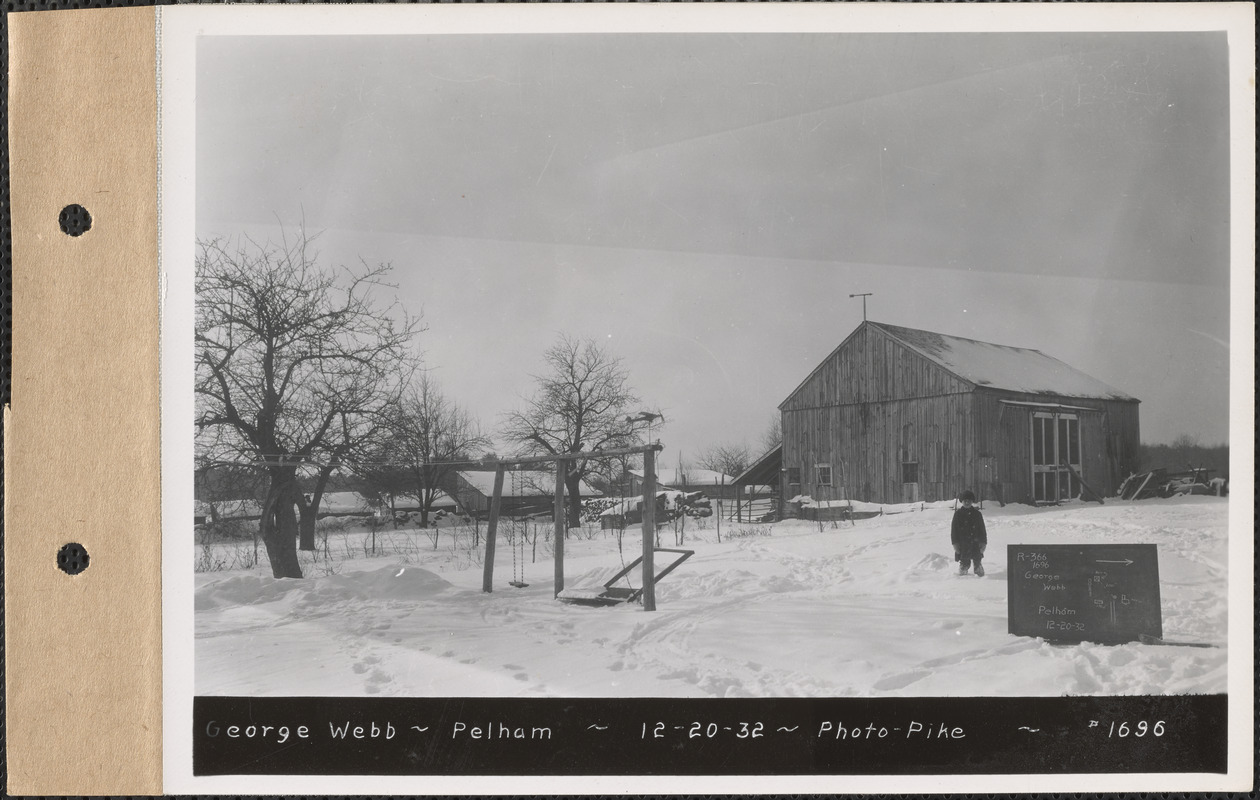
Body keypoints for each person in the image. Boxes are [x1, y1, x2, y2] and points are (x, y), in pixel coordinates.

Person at [951, 489, 988, 577]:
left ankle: (978, 567)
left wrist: (983, 542)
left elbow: (982, 530)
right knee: (964, 559)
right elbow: (954, 531)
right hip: (962, 542)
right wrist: (955, 543)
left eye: (969, 501)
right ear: (962, 501)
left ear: (972, 501)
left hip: (976, 541)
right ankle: (963, 569)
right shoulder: (958, 514)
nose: (967, 502)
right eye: (965, 501)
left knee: (977, 557)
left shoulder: (977, 514)